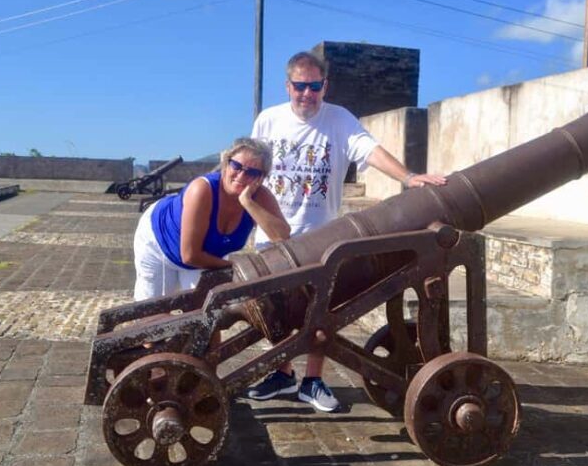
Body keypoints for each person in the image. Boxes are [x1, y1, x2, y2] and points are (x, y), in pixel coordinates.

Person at [246, 51, 447, 412]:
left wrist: (408, 177)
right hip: (272, 233)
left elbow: (370, 151)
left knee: (321, 311)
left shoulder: (339, 120)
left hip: (322, 234)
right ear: (287, 86)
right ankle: (282, 373)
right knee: (278, 310)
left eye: (314, 87)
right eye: (299, 87)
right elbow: (251, 166)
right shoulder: (268, 120)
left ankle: (313, 379)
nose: (307, 95)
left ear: (325, 86)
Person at [133, 137, 289, 300]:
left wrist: (247, 202)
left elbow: (282, 236)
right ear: (226, 164)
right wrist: (236, 266)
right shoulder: (202, 190)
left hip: (205, 255)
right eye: (236, 166)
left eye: (252, 172)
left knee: (205, 310)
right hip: (160, 242)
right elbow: (189, 255)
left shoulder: (258, 197)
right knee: (154, 309)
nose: (242, 175)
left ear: (261, 178)